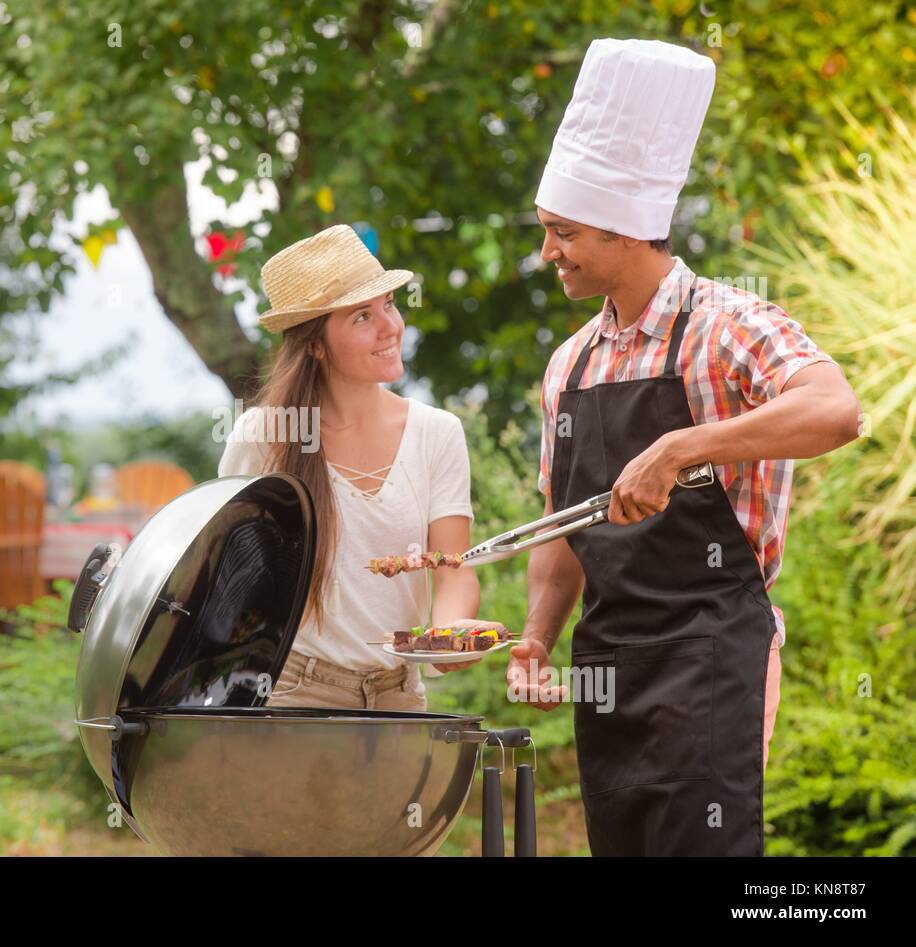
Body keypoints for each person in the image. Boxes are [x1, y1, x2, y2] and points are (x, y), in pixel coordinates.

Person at [508, 38, 860, 856]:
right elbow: (564, 527)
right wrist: (535, 636)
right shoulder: (569, 364)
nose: (547, 252)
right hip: (608, 664)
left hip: (710, 654)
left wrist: (681, 448)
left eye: (563, 233)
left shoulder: (728, 324)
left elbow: (836, 410)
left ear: (628, 229)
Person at [218, 224, 498, 712]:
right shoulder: (264, 437)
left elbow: (452, 569)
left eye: (389, 304)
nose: (390, 326)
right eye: (361, 317)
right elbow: (229, 581)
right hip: (289, 694)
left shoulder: (438, 432)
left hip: (399, 697)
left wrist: (449, 632)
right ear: (315, 344)